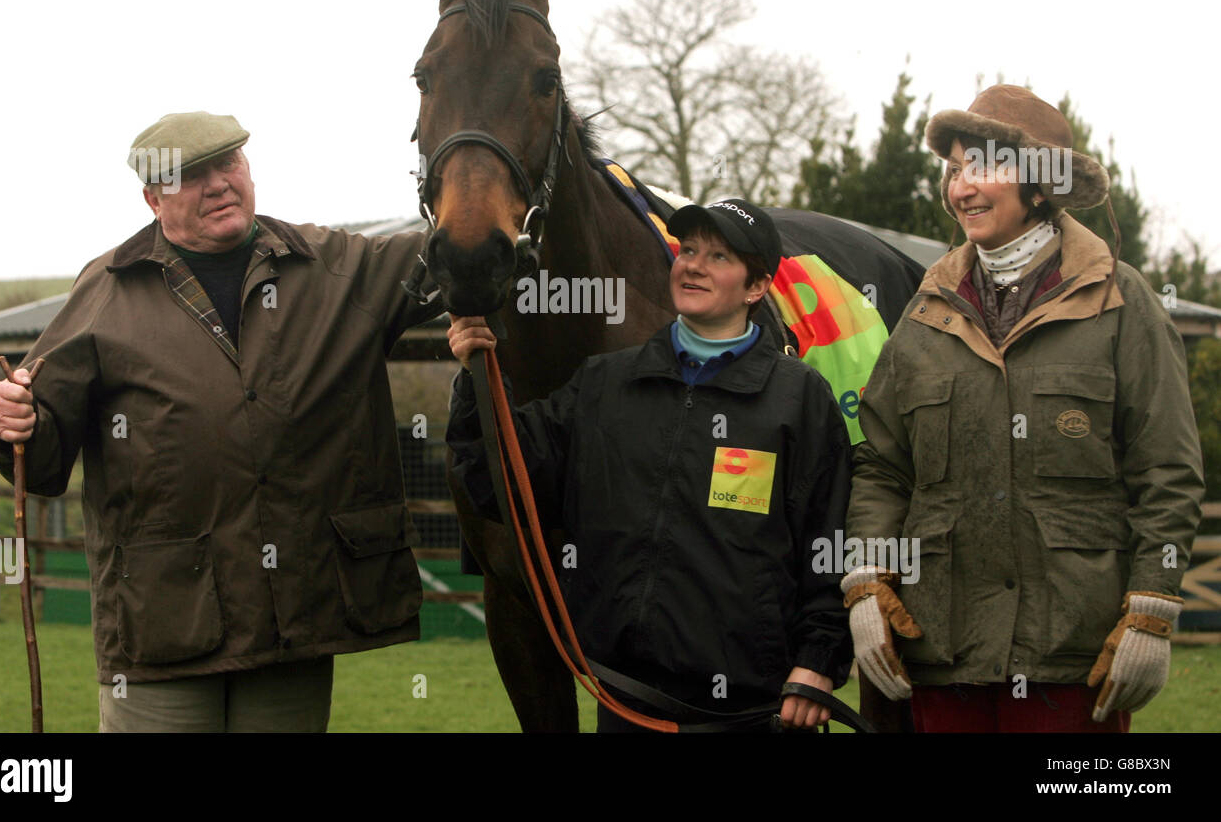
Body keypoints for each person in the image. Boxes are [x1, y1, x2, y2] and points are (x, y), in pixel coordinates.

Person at [0, 111, 438, 732]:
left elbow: (459, 256)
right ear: (152, 197)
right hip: (164, 624)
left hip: (293, 620)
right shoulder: (108, 290)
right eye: (190, 175)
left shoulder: (334, 267)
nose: (218, 183)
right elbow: (37, 455)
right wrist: (12, 421)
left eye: (228, 163)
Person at [844, 85, 1204, 732]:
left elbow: (1166, 470)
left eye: (983, 167)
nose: (961, 189)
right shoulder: (925, 312)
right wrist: (866, 579)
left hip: (1072, 659)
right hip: (941, 650)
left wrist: (1154, 606)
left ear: (1041, 184)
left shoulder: (1122, 302)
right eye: (953, 171)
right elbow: (881, 466)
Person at [446, 197, 853, 732]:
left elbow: (829, 538)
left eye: (719, 256)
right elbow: (502, 481)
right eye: (688, 250)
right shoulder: (604, 384)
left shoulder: (798, 398)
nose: (694, 265)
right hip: (627, 702)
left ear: (755, 288)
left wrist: (817, 661)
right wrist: (475, 377)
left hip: (752, 710)